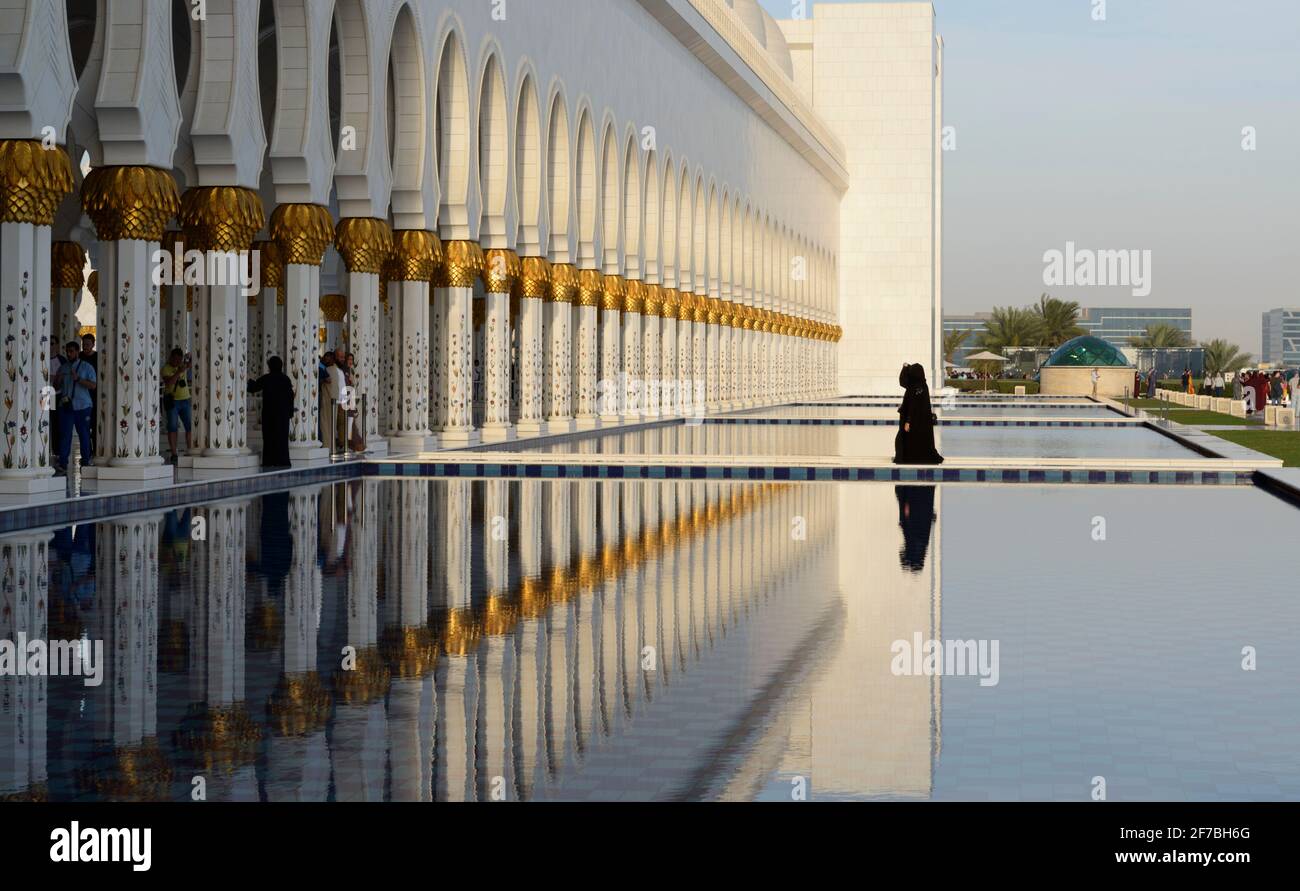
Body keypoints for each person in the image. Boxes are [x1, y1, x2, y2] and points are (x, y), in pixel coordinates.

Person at [55, 340, 96, 474]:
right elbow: (56, 387)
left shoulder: (87, 367)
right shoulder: (63, 368)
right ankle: (62, 464)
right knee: (65, 435)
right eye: (67, 351)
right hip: (66, 406)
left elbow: (93, 385)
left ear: (77, 352)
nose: (69, 354)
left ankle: (85, 461)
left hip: (83, 406)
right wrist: (58, 380)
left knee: (84, 434)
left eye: (72, 351)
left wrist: (78, 379)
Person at [248, 356, 295, 468]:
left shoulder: (267, 378)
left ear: (270, 366)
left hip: (269, 414)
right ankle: (282, 460)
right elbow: (290, 397)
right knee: (282, 438)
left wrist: (246, 379)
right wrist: (290, 412)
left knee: (269, 438)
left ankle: (269, 461)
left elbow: (253, 388)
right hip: (282, 415)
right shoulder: (286, 379)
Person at [893, 363, 943, 465]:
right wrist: (905, 368)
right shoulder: (921, 386)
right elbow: (902, 382)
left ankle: (908, 457)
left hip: (912, 420)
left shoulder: (916, 387)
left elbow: (913, 406)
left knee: (904, 440)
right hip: (920, 421)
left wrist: (908, 421)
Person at [161, 348, 193, 463]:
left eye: (179, 360)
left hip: (185, 400)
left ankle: (190, 450)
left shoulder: (182, 365)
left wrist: (190, 356)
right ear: (171, 358)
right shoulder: (165, 369)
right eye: (176, 360)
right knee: (173, 427)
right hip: (173, 401)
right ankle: (174, 453)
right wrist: (179, 372)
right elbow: (169, 383)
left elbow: (192, 362)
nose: (177, 362)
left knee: (190, 426)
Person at [80, 332, 98, 454]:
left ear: (93, 344)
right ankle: (87, 451)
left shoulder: (98, 358)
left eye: (87, 344)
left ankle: (96, 449)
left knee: (95, 424)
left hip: (95, 395)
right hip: (82, 396)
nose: (85, 346)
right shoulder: (79, 357)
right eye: (83, 344)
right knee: (84, 427)